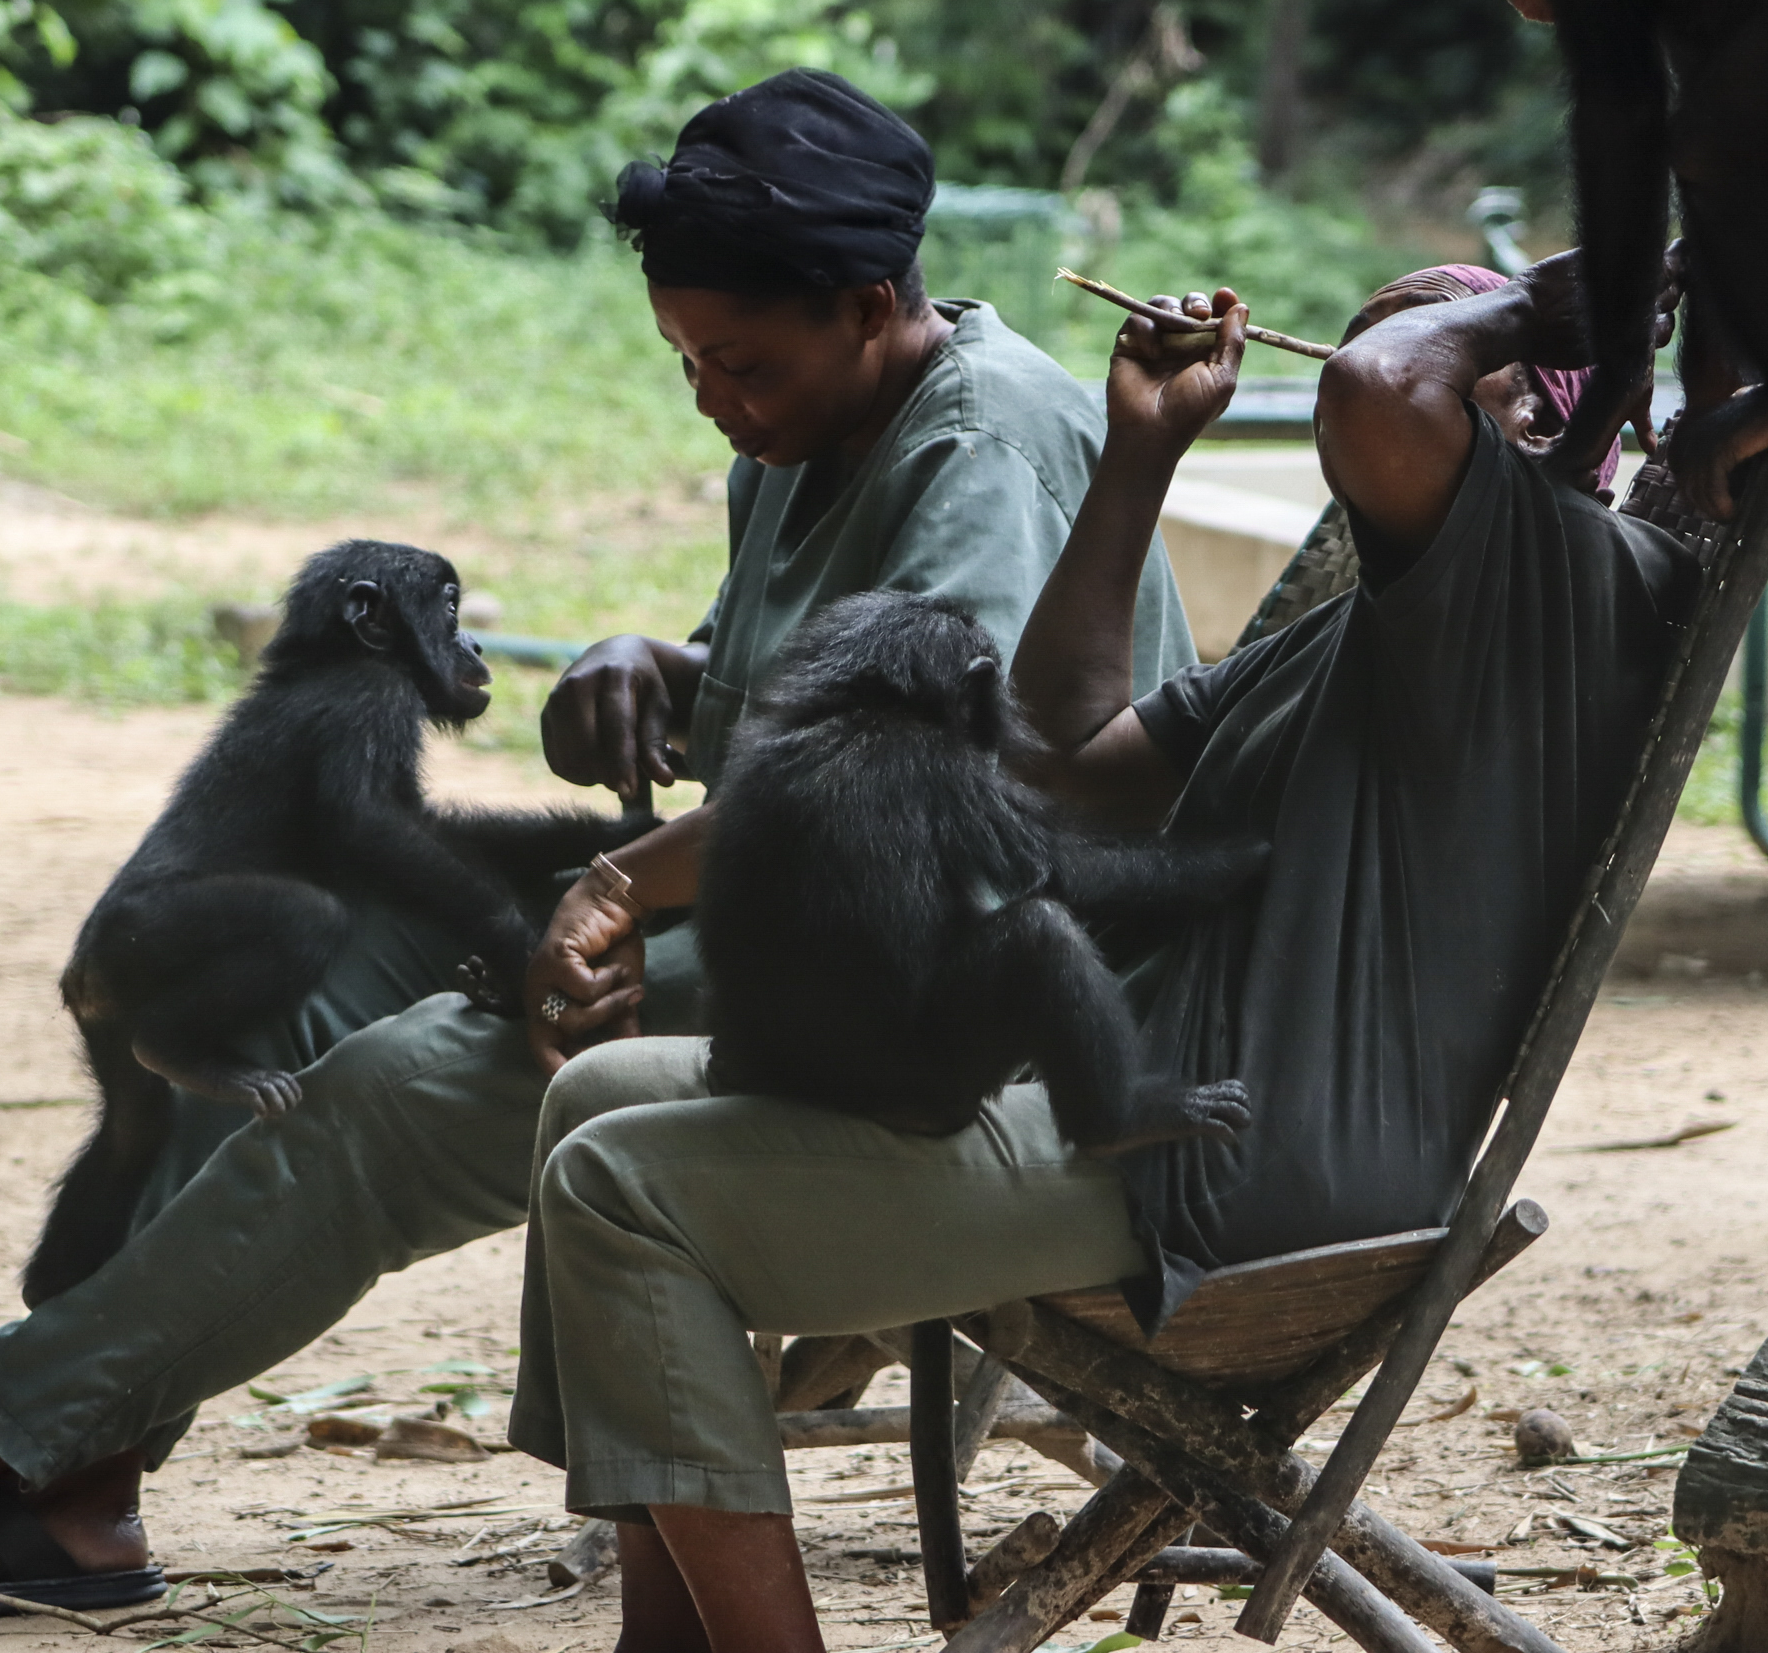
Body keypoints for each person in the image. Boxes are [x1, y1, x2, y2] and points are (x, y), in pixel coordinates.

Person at [0, 69, 1198, 1623]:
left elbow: (900, 785)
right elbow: (794, 690)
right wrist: (660, 664)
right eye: (689, 365)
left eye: (742, 365)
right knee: (276, 991)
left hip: (933, 997)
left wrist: (612, 883)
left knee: (391, 1085)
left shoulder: (981, 444)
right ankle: (78, 1485)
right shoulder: (809, 430)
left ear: (870, 305)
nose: (715, 399)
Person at [495, 254, 1698, 1650]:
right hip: (1145, 1102)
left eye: (1438, 360)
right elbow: (1063, 760)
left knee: (619, 1187)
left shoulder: (1548, 582)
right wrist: (1139, 455)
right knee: (596, 1097)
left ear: (1535, 414)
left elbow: (1380, 390)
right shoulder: (1368, 628)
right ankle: (674, 1634)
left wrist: (1562, 309)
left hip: (1240, 1169)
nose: (1350, 416)